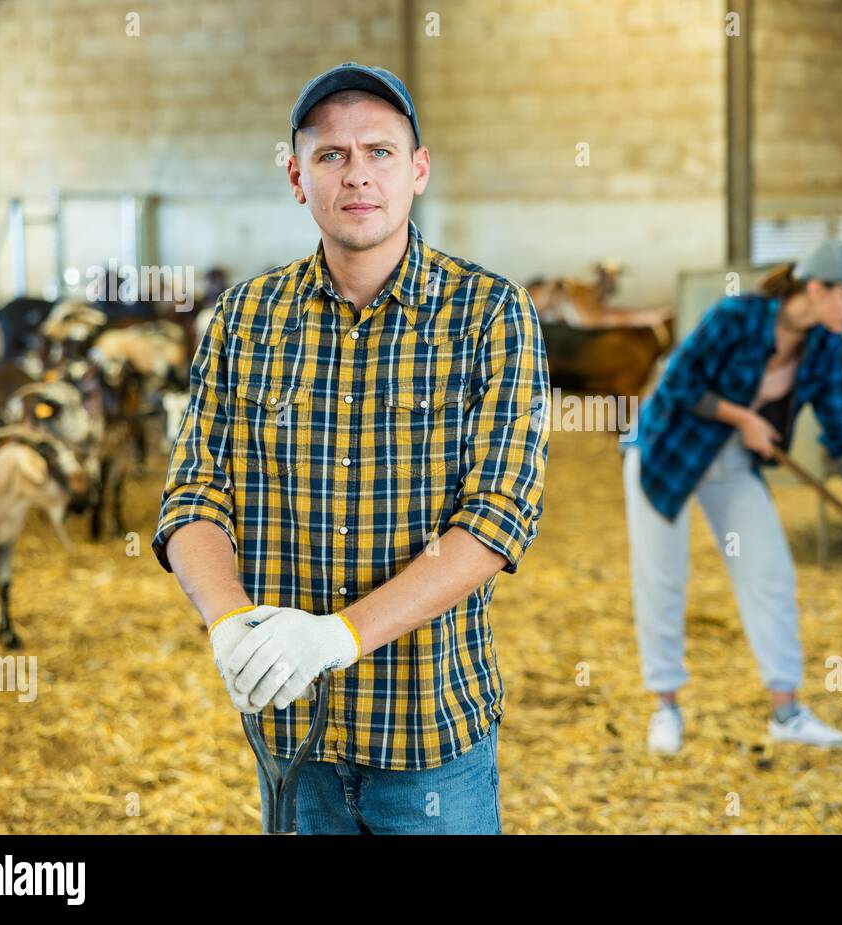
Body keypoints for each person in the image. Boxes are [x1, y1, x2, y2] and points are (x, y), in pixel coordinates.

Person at [153, 63, 550, 834]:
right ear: (298, 177)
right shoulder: (245, 319)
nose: (357, 174)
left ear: (419, 170)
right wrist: (229, 619)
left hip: (430, 739)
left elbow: (499, 516)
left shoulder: (491, 314)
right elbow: (194, 491)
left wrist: (339, 635)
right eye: (331, 155)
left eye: (380, 151)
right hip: (293, 739)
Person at [620, 238, 842, 755]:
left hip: (731, 462)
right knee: (663, 579)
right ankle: (666, 708)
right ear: (817, 289)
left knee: (769, 573)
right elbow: (677, 383)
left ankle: (787, 713)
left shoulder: (826, 344)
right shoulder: (737, 316)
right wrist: (745, 417)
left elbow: (841, 428)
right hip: (666, 451)